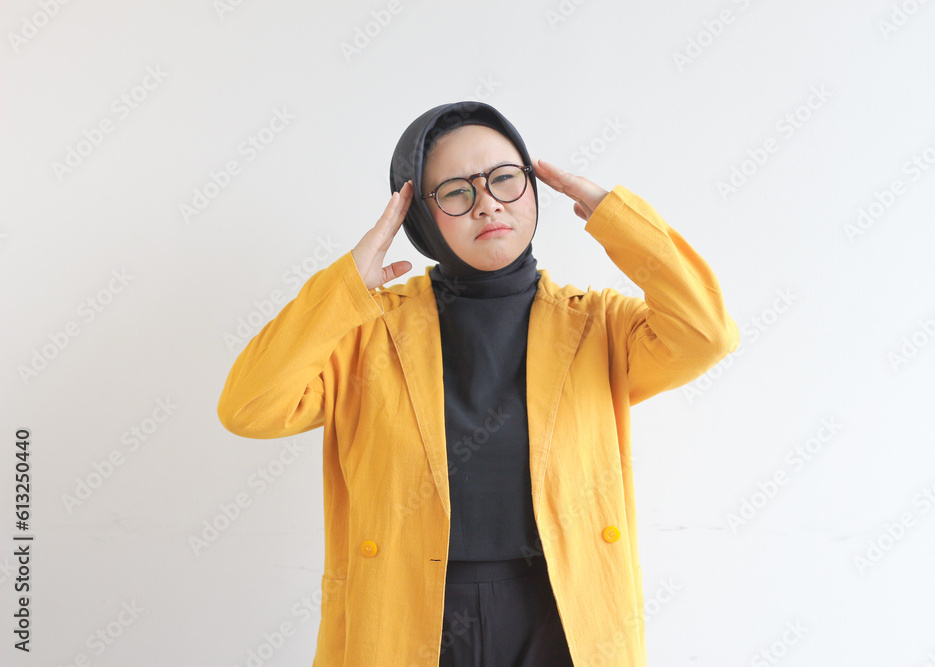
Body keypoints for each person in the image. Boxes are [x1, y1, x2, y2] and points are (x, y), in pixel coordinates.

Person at [217, 101, 740, 667]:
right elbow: (249, 407)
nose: (488, 202)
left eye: (504, 179)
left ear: (534, 188)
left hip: (562, 613)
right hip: (406, 616)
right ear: (420, 216)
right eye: (457, 191)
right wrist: (346, 288)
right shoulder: (369, 331)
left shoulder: (597, 325)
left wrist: (612, 215)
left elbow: (706, 333)